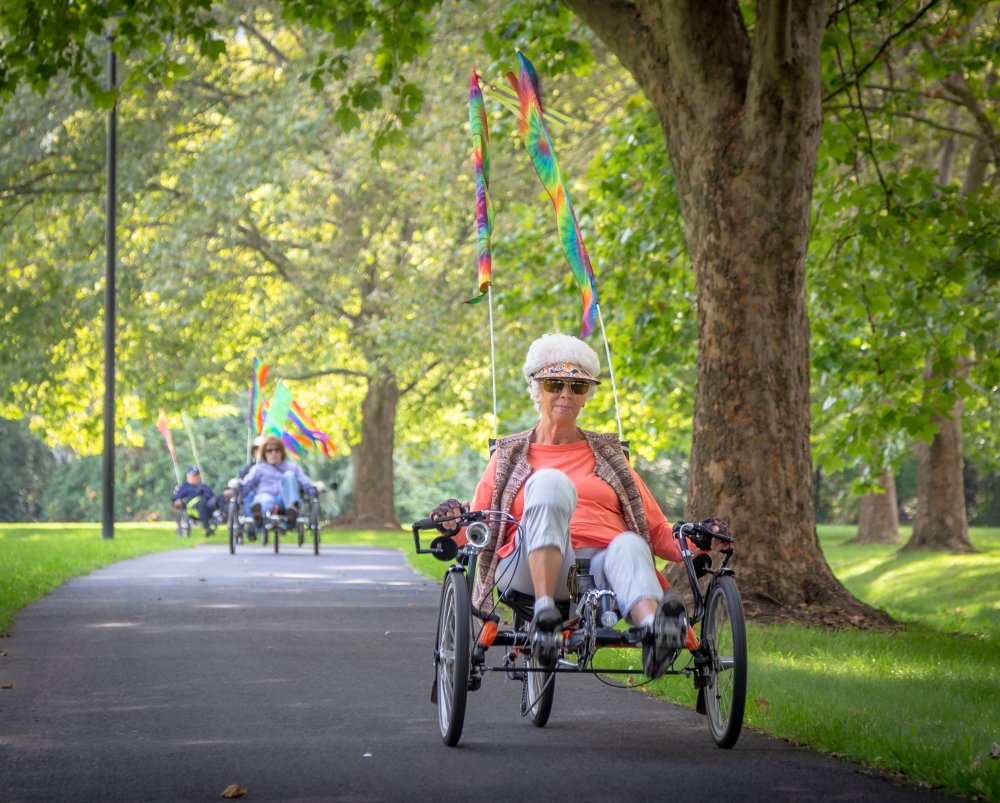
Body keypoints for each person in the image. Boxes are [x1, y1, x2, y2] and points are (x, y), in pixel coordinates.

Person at [430, 333, 712, 679]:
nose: (565, 393)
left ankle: (655, 632)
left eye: (577, 387)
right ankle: (545, 615)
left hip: (601, 574)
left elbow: (654, 529)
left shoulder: (610, 456)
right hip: (528, 566)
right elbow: (482, 525)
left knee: (630, 542)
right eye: (555, 384)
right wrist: (452, 528)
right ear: (537, 391)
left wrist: (697, 539)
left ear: (585, 398)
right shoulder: (509, 455)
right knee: (550, 483)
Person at [240, 435, 317, 529]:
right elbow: (245, 485)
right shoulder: (257, 469)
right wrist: (234, 489)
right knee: (263, 500)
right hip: (265, 497)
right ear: (264, 453)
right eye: (269, 450)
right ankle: (258, 514)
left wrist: (315, 487)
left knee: (289, 475)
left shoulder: (292, 468)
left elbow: (306, 482)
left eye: (277, 450)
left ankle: (292, 512)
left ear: (282, 452)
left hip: (285, 500)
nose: (273, 453)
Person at [172, 466, 222, 536]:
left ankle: (227, 518)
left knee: (220, 497)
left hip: (209, 508)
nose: (196, 477)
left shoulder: (203, 486)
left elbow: (212, 496)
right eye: (193, 475)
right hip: (193, 509)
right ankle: (207, 528)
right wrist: (179, 502)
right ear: (188, 476)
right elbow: (175, 501)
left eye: (197, 475)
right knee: (201, 502)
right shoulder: (184, 487)